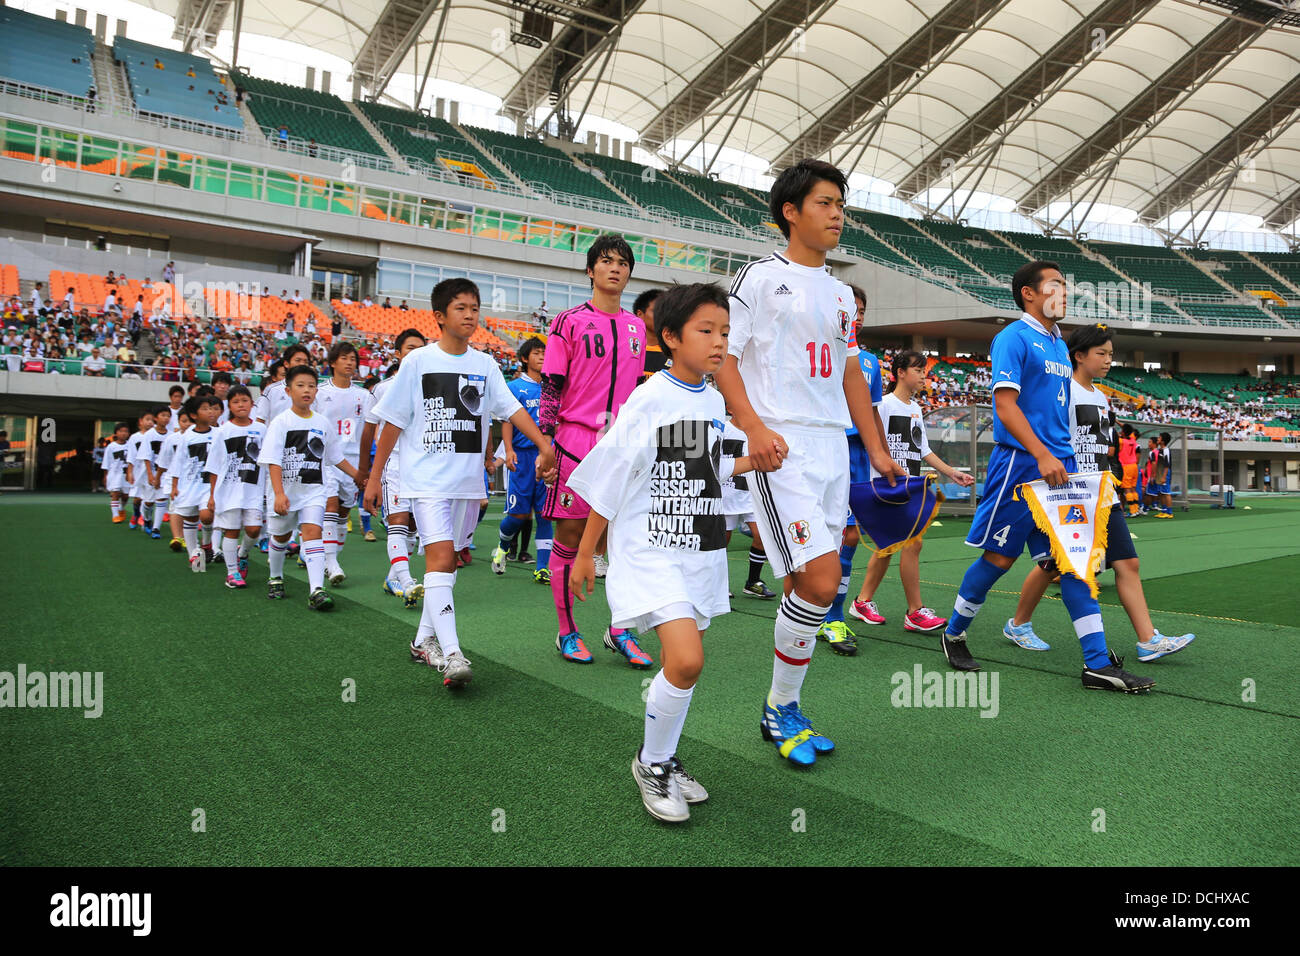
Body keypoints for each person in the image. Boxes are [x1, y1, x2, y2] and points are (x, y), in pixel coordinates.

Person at [713, 159, 903, 766]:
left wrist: (875, 448)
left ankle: (782, 708)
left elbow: (851, 374)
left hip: (831, 446)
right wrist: (754, 427)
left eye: (840, 204)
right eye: (824, 203)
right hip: (783, 447)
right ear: (790, 212)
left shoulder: (843, 292)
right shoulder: (761, 278)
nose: (836, 214)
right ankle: (779, 704)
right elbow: (725, 357)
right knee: (822, 583)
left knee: (804, 583)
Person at [568, 282, 758, 822]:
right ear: (670, 337)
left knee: (687, 666)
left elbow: (710, 467)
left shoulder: (717, 400)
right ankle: (651, 763)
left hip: (698, 548)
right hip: (652, 548)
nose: (719, 342)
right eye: (706, 331)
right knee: (687, 659)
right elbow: (614, 472)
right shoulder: (651, 396)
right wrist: (587, 552)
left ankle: (665, 758)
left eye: (724, 332)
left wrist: (754, 462)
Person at [941, 261, 1154, 692]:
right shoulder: (1012, 339)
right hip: (1021, 466)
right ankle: (954, 632)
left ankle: (1096, 662)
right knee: (999, 559)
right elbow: (1005, 407)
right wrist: (1041, 454)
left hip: (1063, 470)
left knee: (1074, 563)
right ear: (1029, 294)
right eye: (1055, 284)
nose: (1064, 291)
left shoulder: (1058, 343)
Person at [364, 278, 555, 688]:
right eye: (461, 308)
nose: (471, 315)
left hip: (468, 484)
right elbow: (393, 422)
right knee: (438, 560)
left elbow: (511, 409)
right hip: (427, 482)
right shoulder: (417, 363)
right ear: (439, 316)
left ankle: (422, 642)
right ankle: (452, 654)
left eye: (475, 307)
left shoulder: (485, 365)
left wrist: (543, 444)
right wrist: (375, 476)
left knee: (448, 564)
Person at [1004, 323, 1195, 663]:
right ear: (1078, 355)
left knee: (1128, 562)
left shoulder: (1101, 397)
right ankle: (1019, 624)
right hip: (1069, 493)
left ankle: (1148, 639)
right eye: (1101, 354)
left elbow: (1104, 449)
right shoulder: (1062, 392)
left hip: (1101, 490)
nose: (1108, 360)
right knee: (1052, 564)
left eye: (1111, 354)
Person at [540, 235, 652, 668]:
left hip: (621, 446)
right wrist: (547, 446)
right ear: (590, 270)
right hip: (575, 443)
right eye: (606, 261)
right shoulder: (567, 321)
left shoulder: (636, 327)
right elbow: (552, 387)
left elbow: (635, 391)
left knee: (619, 542)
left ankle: (619, 629)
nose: (615, 268)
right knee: (570, 539)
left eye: (623, 262)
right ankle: (567, 631)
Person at [847, 350, 974, 630]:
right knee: (911, 543)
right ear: (900, 373)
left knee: (888, 546)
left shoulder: (915, 409)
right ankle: (914, 611)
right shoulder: (885, 405)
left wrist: (952, 473)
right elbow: (873, 443)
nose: (923, 377)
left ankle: (862, 602)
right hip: (887, 486)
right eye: (917, 371)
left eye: (924, 371)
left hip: (908, 487)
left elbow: (923, 449)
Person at [820, 283, 890, 653]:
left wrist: (882, 452)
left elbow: (873, 411)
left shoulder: (869, 362)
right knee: (814, 536)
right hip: (821, 448)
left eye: (861, 311)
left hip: (857, 456)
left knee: (848, 537)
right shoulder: (816, 351)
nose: (857, 317)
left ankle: (834, 616)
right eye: (851, 310)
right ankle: (805, 609)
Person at [259, 365, 360, 609]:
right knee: (280, 536)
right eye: (300, 385)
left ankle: (316, 590)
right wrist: (279, 494)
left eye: (311, 386)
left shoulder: (322, 423)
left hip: (314, 490)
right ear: (288, 390)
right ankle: (275, 576)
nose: (306, 390)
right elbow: (272, 460)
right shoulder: (281, 422)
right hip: (285, 492)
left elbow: (335, 457)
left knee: (313, 532)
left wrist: (360, 476)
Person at [359, 328, 428, 606]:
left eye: (420, 348)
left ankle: (393, 577)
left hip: (423, 466)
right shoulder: (383, 388)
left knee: (412, 525)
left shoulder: (431, 386)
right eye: (410, 348)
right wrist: (365, 474)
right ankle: (407, 581)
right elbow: (368, 431)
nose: (415, 353)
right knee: (398, 522)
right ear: (398, 353)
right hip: (395, 464)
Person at [490, 337, 552, 583]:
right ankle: (504, 546)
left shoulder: (552, 388)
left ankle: (542, 567)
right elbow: (507, 419)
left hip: (546, 455)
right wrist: (508, 449)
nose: (542, 357)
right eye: (537, 353)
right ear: (525, 358)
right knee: (518, 515)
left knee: (545, 513)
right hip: (522, 457)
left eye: (545, 353)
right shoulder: (514, 387)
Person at [312, 341, 373, 586]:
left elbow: (368, 432)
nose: (350, 363)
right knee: (330, 506)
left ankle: (330, 559)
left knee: (344, 512)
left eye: (353, 359)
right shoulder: (319, 392)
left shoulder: (364, 395)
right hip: (326, 461)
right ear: (333, 362)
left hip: (354, 464)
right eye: (345, 358)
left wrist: (364, 469)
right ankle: (331, 563)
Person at [205, 385, 265, 590]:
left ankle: (243, 553)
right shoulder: (223, 431)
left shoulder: (261, 429)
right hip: (229, 491)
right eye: (236, 402)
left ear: (252, 403)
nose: (241, 405)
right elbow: (213, 466)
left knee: (254, 529)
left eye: (245, 400)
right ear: (229, 406)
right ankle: (232, 573)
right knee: (231, 531)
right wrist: (212, 495)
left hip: (254, 489)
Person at [720, 417, 776, 598]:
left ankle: (753, 581)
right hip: (726, 494)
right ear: (730, 409)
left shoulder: (758, 430)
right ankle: (719, 584)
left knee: (762, 536)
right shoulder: (723, 428)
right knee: (722, 542)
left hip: (751, 492)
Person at [171, 396, 221, 571]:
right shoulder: (187, 436)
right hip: (189, 484)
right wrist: (174, 485)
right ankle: (194, 556)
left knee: (207, 515)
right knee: (190, 518)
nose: (210, 412)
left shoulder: (218, 434)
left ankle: (206, 544)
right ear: (194, 415)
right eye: (205, 409)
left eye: (212, 408)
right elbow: (178, 461)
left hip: (209, 484)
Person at [124, 410, 156, 531]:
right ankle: (136, 514)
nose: (150, 422)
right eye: (147, 419)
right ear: (140, 421)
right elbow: (131, 456)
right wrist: (130, 472)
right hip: (138, 470)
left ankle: (146, 519)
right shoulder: (135, 437)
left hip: (151, 471)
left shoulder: (155, 435)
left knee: (150, 498)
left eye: (152, 420)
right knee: (138, 497)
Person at [102, 422, 133, 523]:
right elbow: (106, 462)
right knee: (115, 493)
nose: (123, 433)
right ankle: (115, 515)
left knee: (125, 495)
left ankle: (121, 508)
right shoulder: (111, 446)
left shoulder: (131, 445)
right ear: (116, 433)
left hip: (126, 474)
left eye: (126, 431)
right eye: (121, 431)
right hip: (114, 473)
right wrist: (105, 475)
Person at [633, 288, 667, 379]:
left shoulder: (675, 353)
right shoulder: (627, 349)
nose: (662, 316)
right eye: (656, 311)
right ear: (640, 314)